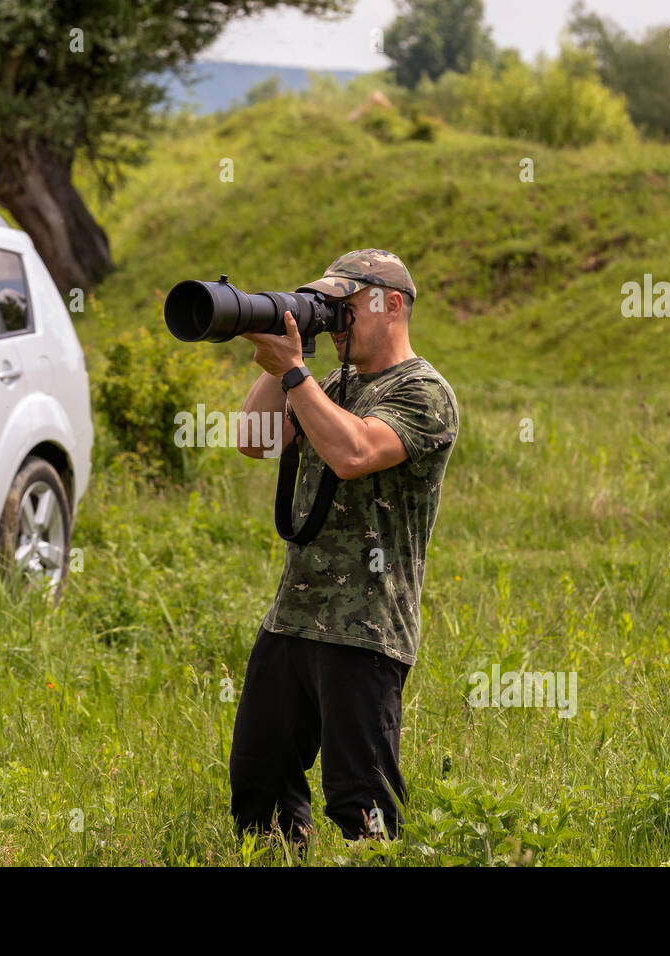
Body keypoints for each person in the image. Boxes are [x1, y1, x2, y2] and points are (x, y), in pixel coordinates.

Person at [229, 248, 459, 854]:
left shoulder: (424, 392)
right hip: (294, 618)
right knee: (259, 784)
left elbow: (354, 453)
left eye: (343, 307)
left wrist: (297, 374)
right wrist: (280, 356)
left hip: (366, 628)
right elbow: (253, 441)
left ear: (392, 305)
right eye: (326, 308)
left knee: (362, 801)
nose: (334, 321)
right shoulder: (332, 383)